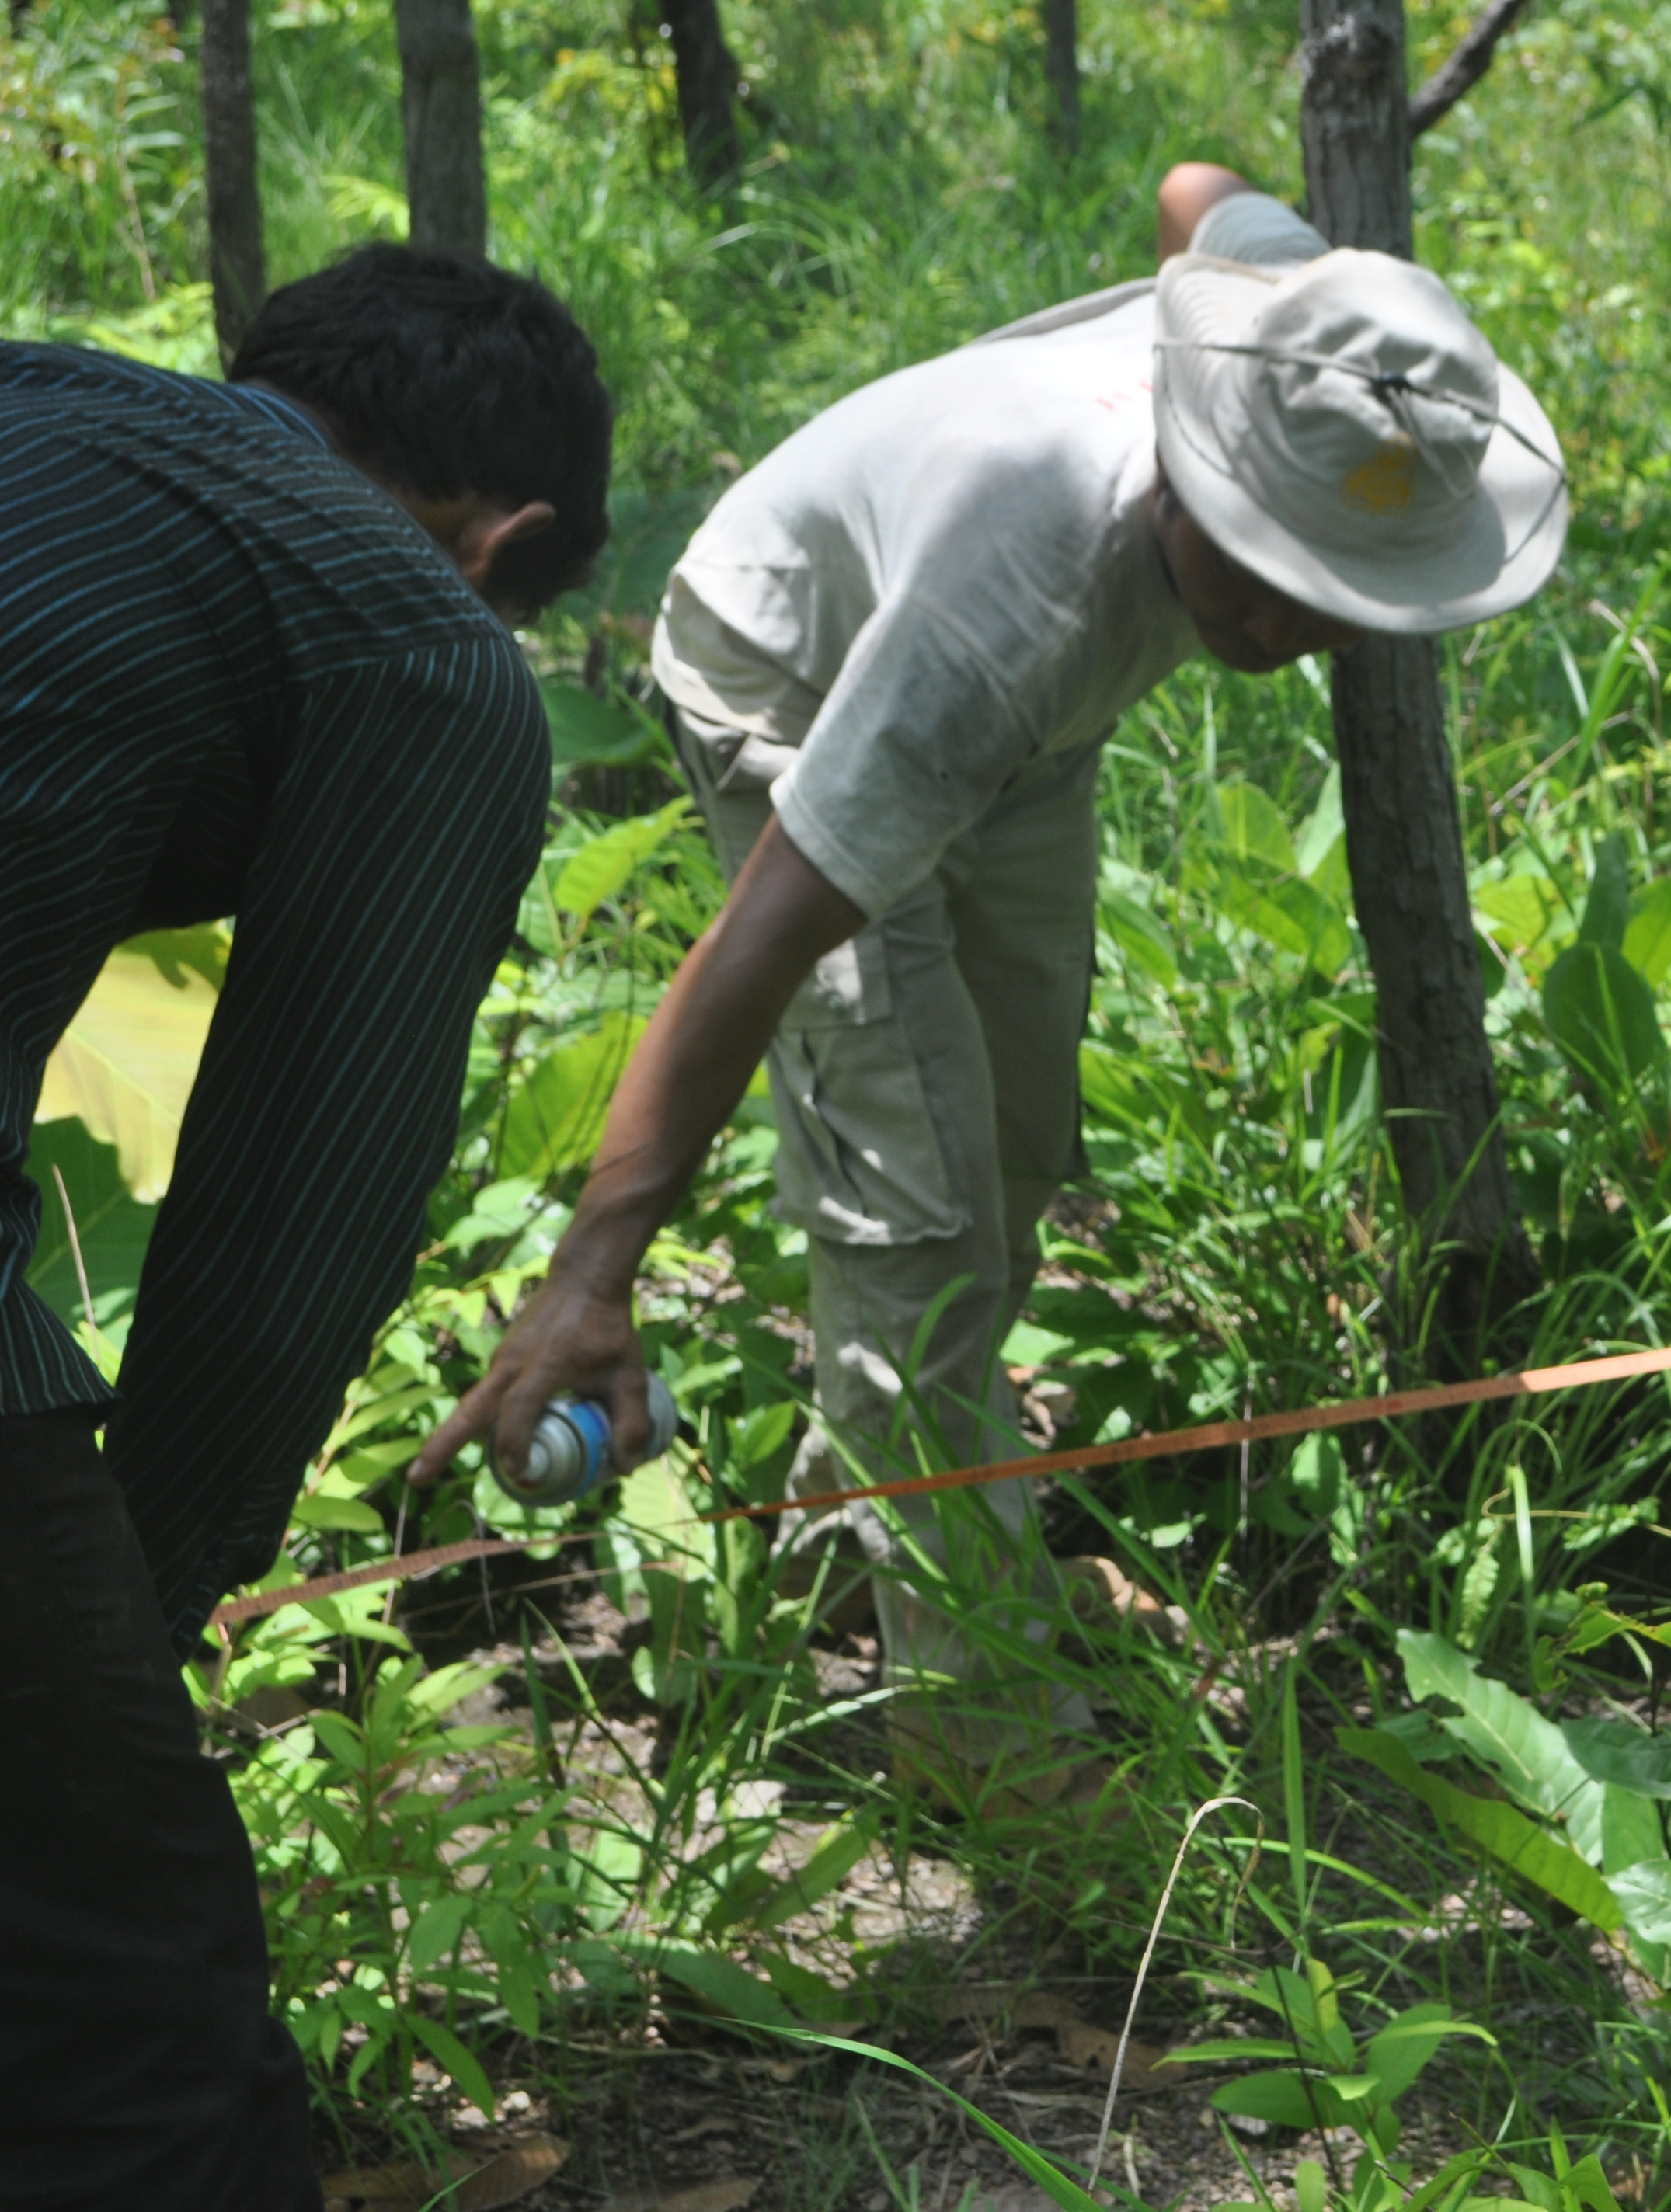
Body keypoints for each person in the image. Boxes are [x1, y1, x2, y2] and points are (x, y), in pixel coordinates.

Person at [413, 164, 1568, 1795]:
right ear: (1193, 460)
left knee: (1009, 1149)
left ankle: (847, 1520)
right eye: (1255, 561)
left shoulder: (1311, 346)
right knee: (926, 1229)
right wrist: (592, 1275)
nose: (1283, 619)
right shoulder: (1008, 599)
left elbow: (1195, 195)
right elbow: (759, 937)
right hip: (802, 682)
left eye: (1332, 589)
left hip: (1030, 736)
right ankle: (985, 1741)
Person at [0, 248, 611, 2210]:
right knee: (132, 2022)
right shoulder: (411, 628)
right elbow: (282, 1242)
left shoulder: (36, 401)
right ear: (496, 537)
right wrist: (130, 1635)